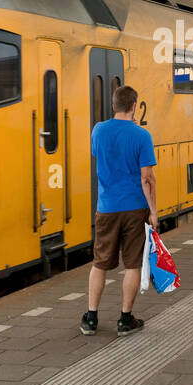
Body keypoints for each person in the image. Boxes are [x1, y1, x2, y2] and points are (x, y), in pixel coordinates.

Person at [84, 84, 155, 337]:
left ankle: (91, 318)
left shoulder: (98, 131)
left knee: (100, 264)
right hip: (135, 208)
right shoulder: (141, 135)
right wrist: (154, 210)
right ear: (134, 106)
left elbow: (100, 156)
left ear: (113, 105)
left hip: (106, 208)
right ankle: (125, 319)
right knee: (133, 264)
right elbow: (147, 177)